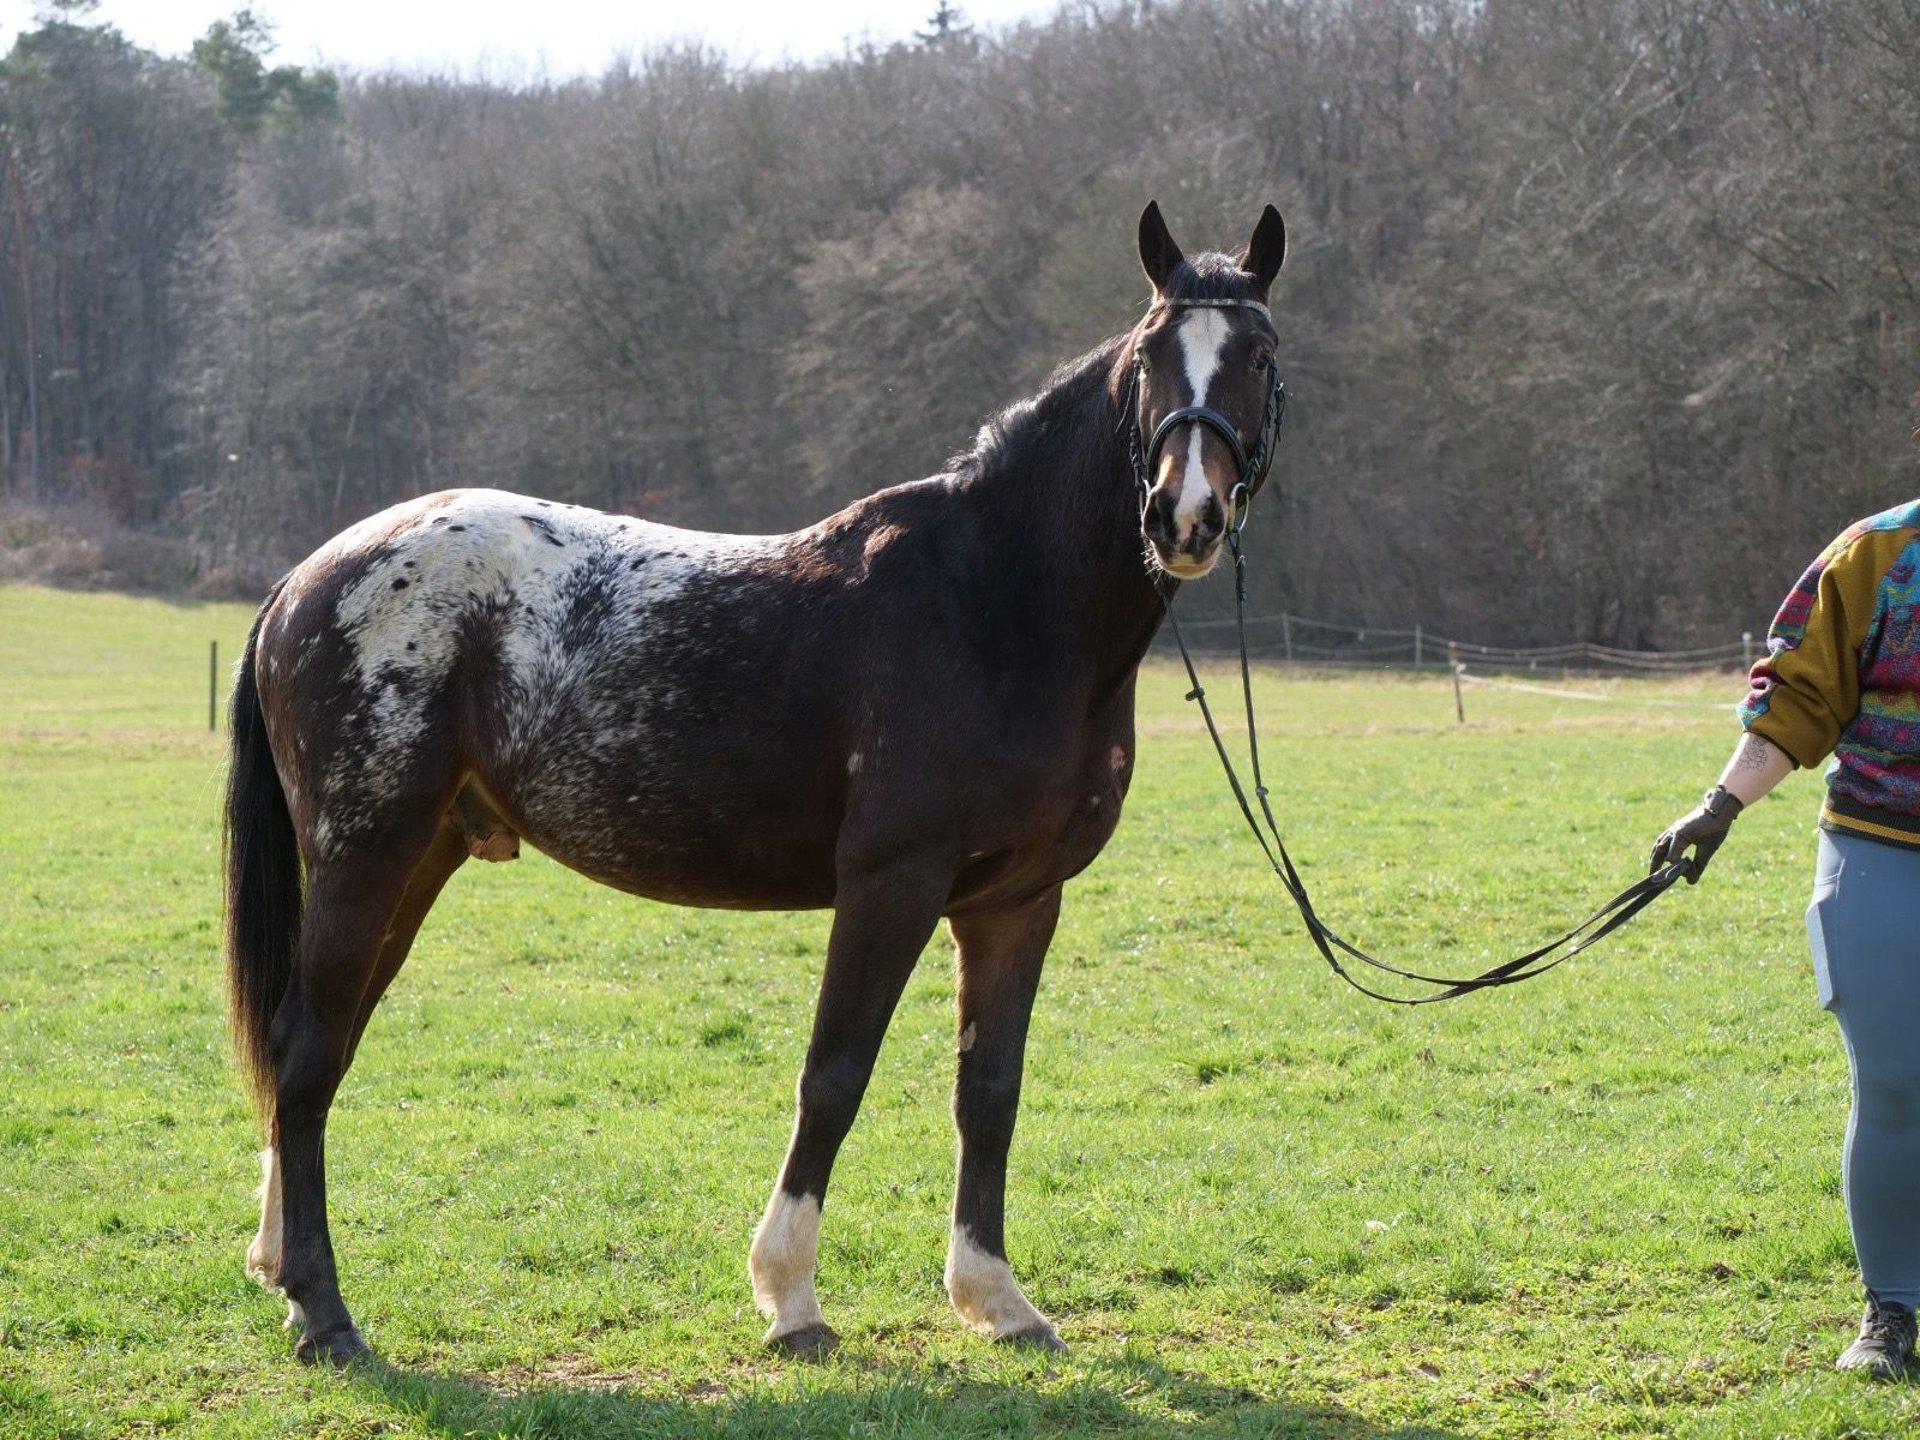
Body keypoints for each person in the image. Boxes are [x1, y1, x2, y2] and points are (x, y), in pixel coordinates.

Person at [1651, 498, 1920, 1378]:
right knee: (1895, 1086)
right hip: (1884, 848)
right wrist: (1720, 805)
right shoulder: (1880, 554)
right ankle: (1895, 1311)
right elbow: (1798, 691)